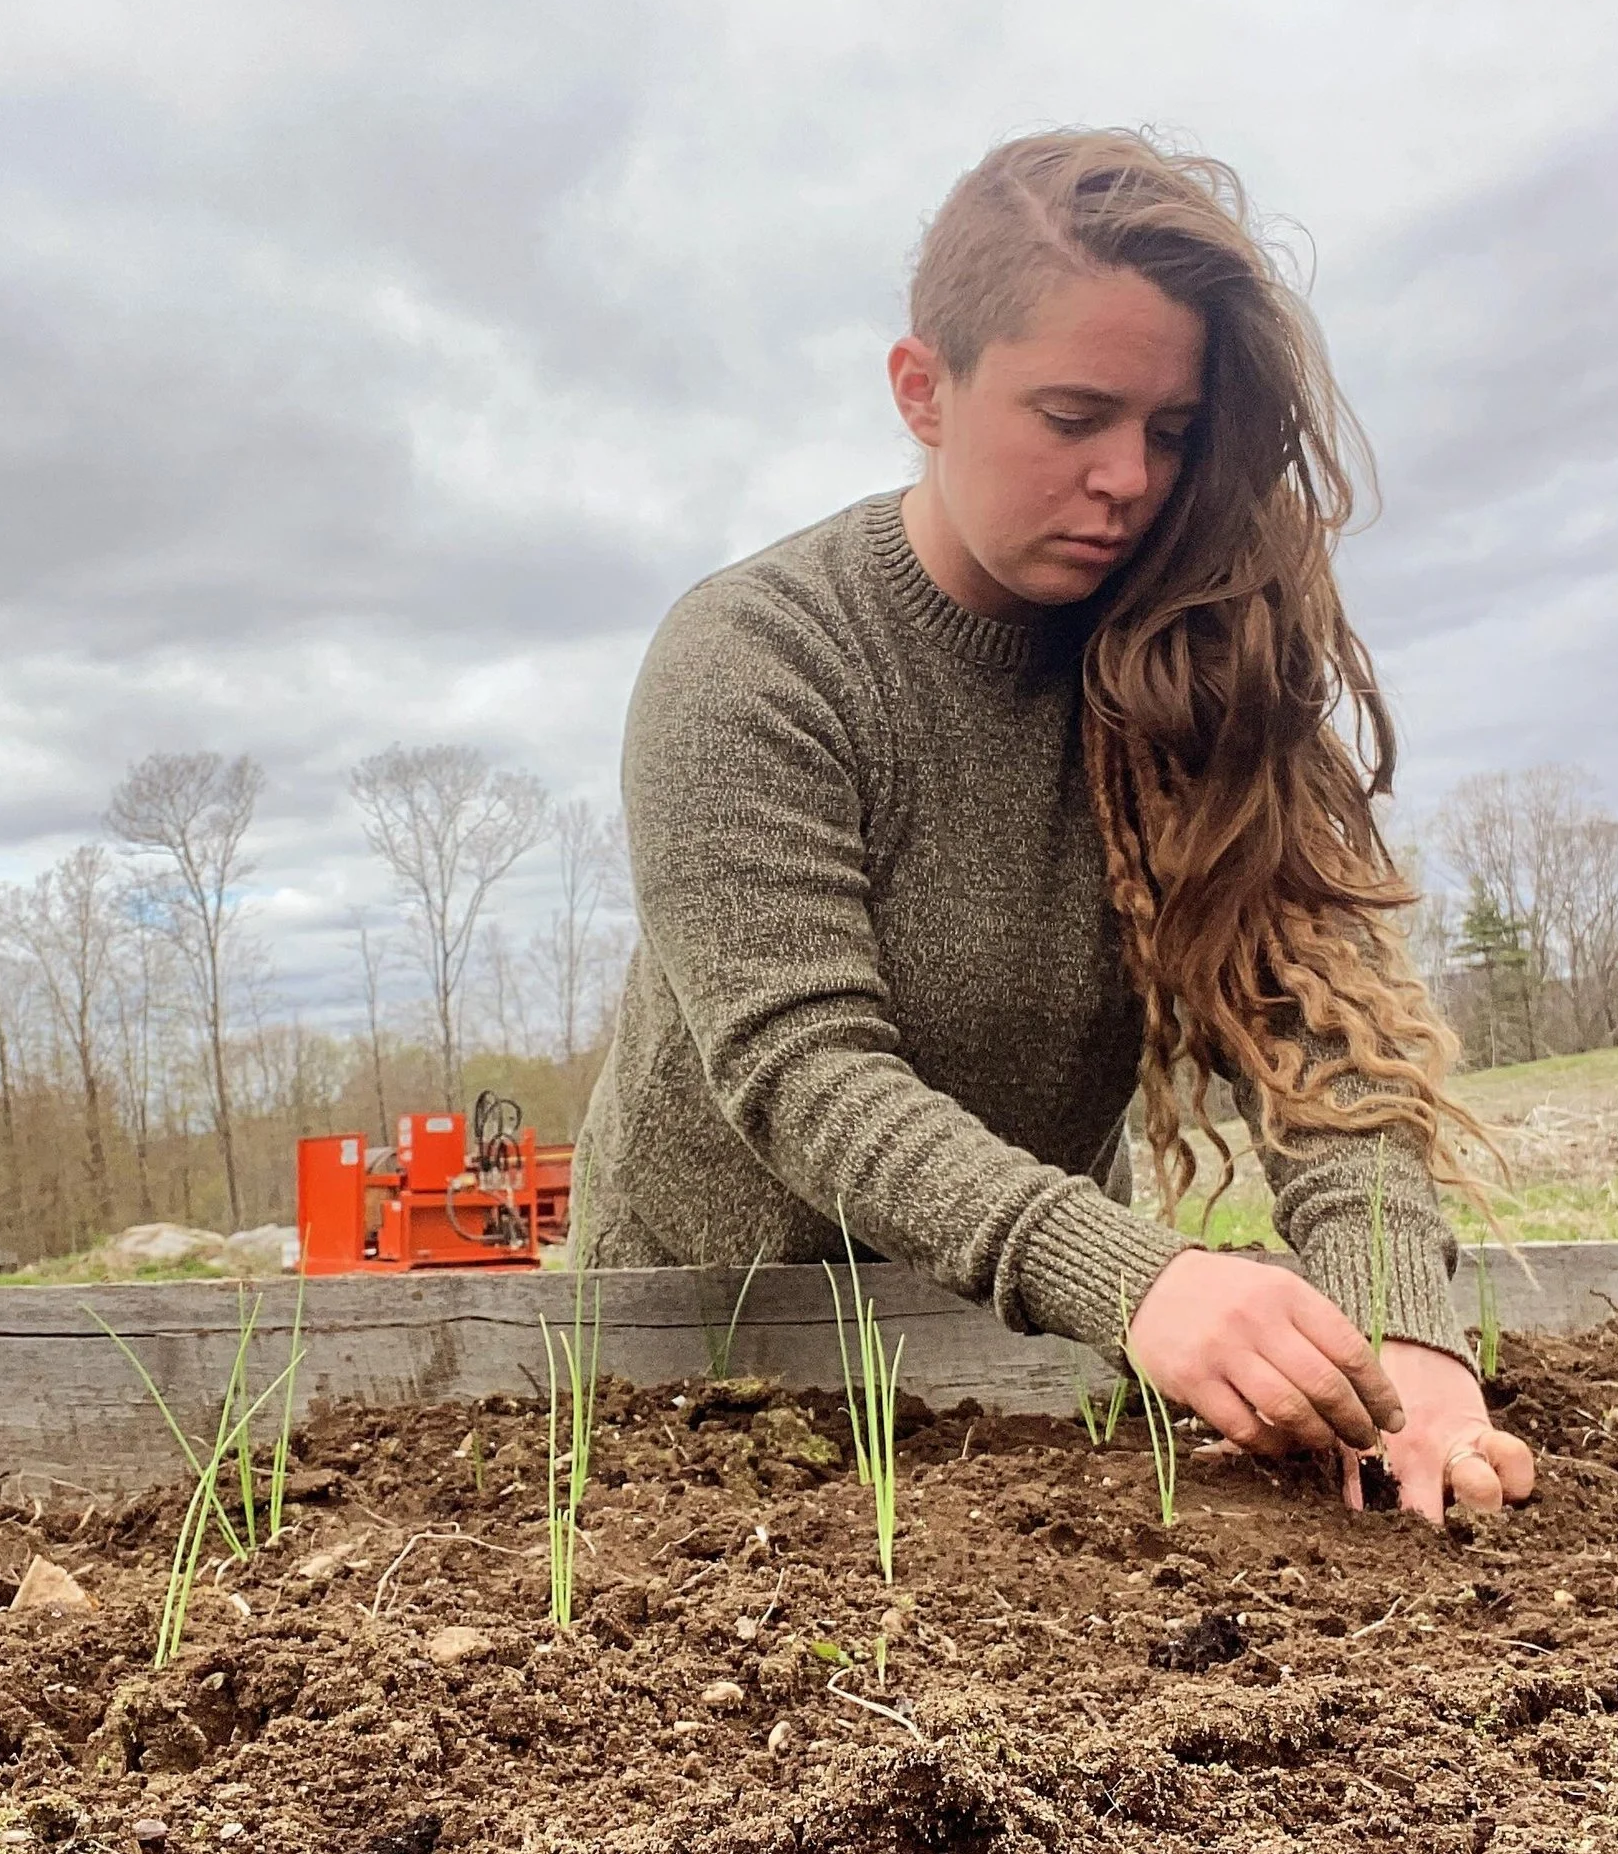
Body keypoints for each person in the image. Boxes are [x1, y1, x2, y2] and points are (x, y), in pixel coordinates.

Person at [576, 129, 1534, 1526]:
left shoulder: (1193, 657)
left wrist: (1401, 1345)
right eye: (1074, 418)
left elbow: (1319, 1028)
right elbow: (803, 1070)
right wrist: (1137, 1279)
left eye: (1172, 431)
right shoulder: (756, 659)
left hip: (1016, 1358)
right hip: (695, 1358)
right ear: (925, 389)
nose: (1130, 481)